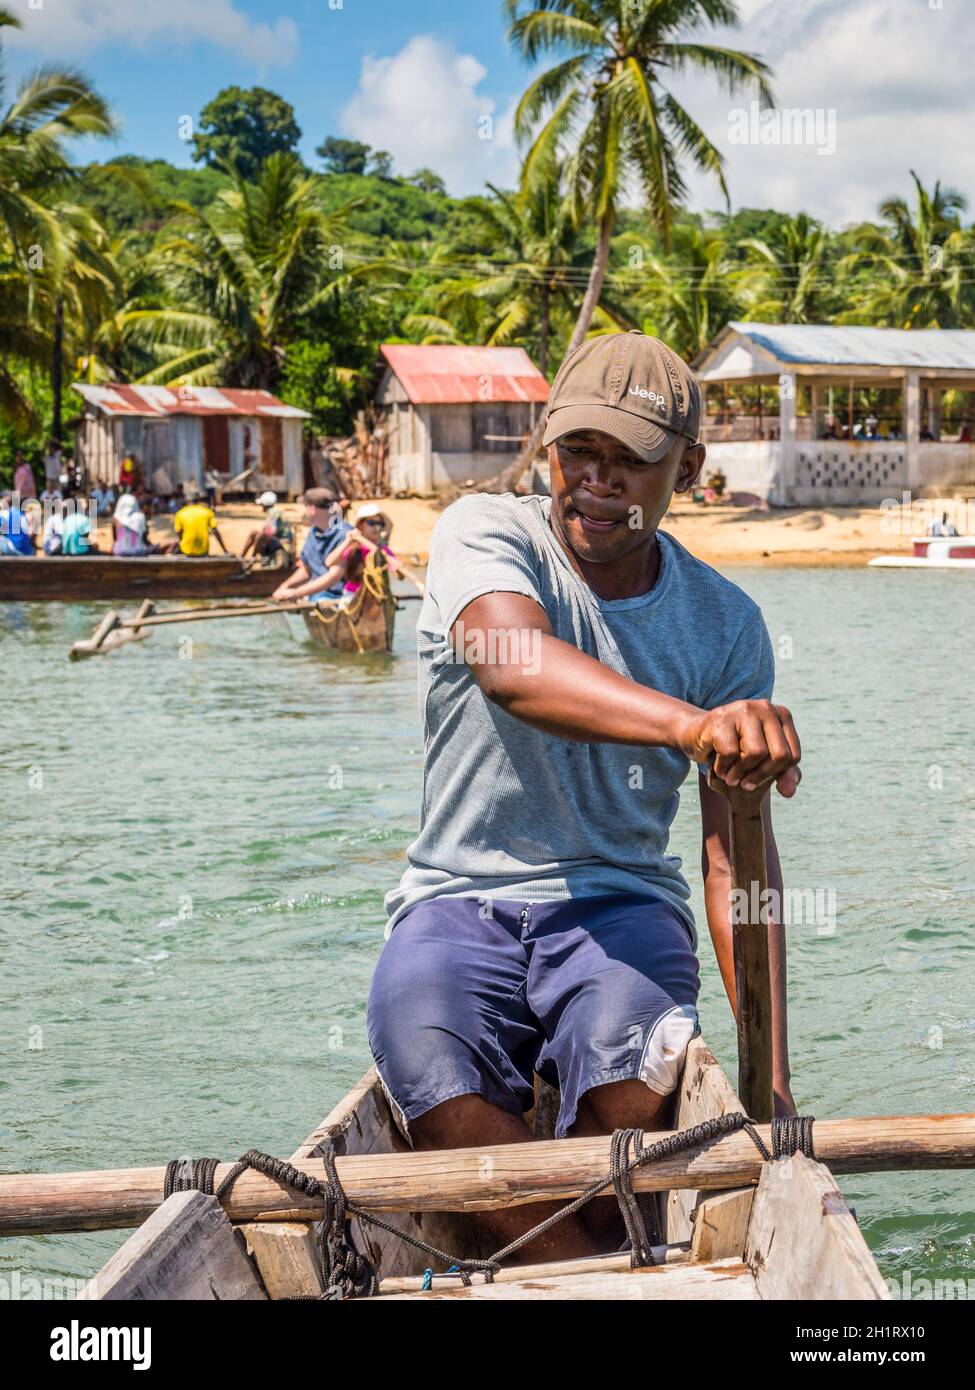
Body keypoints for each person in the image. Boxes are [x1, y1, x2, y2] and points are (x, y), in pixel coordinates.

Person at [367, 330, 802, 1262]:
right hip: (457, 897)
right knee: (429, 1070)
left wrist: (772, 1078)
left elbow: (736, 861)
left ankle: (545, 1244)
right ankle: (590, 1254)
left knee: (630, 1071)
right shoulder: (484, 532)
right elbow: (516, 669)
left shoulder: (725, 623)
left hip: (621, 902)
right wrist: (693, 725)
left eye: (630, 463)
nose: (596, 482)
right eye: (579, 453)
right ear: (546, 445)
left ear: (684, 468)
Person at [326, 503, 425, 598]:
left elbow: (399, 577)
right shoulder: (354, 547)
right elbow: (329, 562)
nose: (376, 527)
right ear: (361, 525)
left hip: (377, 595)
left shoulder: (383, 550)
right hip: (353, 594)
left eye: (379, 524)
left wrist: (400, 573)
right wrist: (348, 541)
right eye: (371, 523)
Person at [271, 489, 351, 602]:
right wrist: (285, 587)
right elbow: (307, 569)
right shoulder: (314, 531)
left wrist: (297, 593)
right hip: (317, 595)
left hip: (339, 597)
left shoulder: (345, 535)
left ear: (312, 509)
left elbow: (335, 576)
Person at [242, 490, 294, 568]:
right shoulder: (274, 512)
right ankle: (242, 558)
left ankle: (252, 558)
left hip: (283, 542)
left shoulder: (273, 512)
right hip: (279, 540)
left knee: (260, 536)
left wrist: (262, 535)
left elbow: (271, 531)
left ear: (265, 505)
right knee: (255, 533)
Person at [173, 486, 228, 557]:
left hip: (187, 551)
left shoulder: (180, 513)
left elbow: (179, 533)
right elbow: (215, 531)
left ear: (186, 500)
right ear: (198, 500)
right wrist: (225, 551)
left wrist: (182, 545)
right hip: (203, 551)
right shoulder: (207, 512)